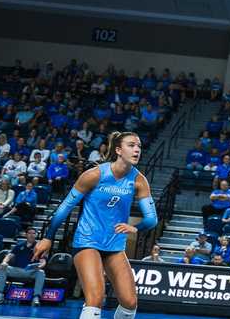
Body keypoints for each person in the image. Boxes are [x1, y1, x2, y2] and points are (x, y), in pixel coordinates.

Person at [34, 132, 158, 319]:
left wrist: (136, 228)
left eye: (139, 146)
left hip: (115, 245)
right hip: (88, 241)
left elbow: (152, 218)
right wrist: (47, 237)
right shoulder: (94, 174)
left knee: (130, 302)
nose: (137, 150)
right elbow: (64, 208)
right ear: (118, 150)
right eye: (131, 145)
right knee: (96, 298)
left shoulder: (139, 180)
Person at [0, 226, 46, 305]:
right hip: (17, 270)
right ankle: (0, 294)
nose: (31, 235)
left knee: (41, 272)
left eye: (33, 233)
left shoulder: (39, 247)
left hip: (30, 271)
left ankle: (36, 297)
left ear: (36, 235)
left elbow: (43, 261)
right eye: (29, 233)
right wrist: (4, 262)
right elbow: (9, 256)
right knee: (3, 268)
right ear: (26, 235)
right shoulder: (19, 246)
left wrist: (40, 266)